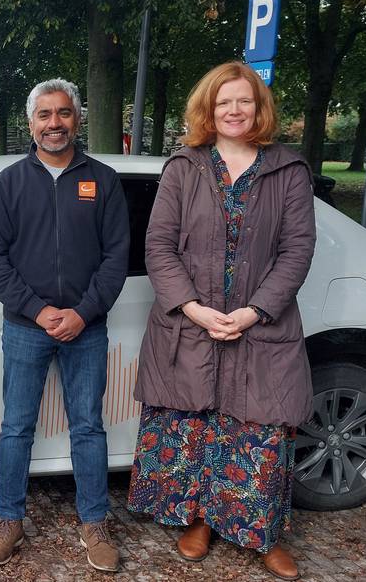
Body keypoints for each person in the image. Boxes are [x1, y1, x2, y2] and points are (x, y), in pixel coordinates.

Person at [126, 61, 316, 581]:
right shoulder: (184, 167)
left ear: (259, 108)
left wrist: (253, 312)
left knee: (261, 432)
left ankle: (264, 533)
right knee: (200, 428)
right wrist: (191, 306)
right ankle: (202, 521)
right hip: (192, 324)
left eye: (243, 101)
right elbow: (158, 247)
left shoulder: (288, 170)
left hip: (262, 327)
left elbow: (297, 250)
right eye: (223, 102)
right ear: (208, 110)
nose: (233, 110)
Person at [0, 78, 130, 572]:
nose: (54, 123)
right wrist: (39, 310)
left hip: (87, 327)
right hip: (26, 326)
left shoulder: (103, 181)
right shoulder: (10, 183)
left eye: (63, 113)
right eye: (45, 115)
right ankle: (8, 521)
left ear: (77, 119)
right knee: (17, 427)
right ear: (31, 123)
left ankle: (94, 523)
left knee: (88, 426)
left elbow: (116, 258)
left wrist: (83, 312)